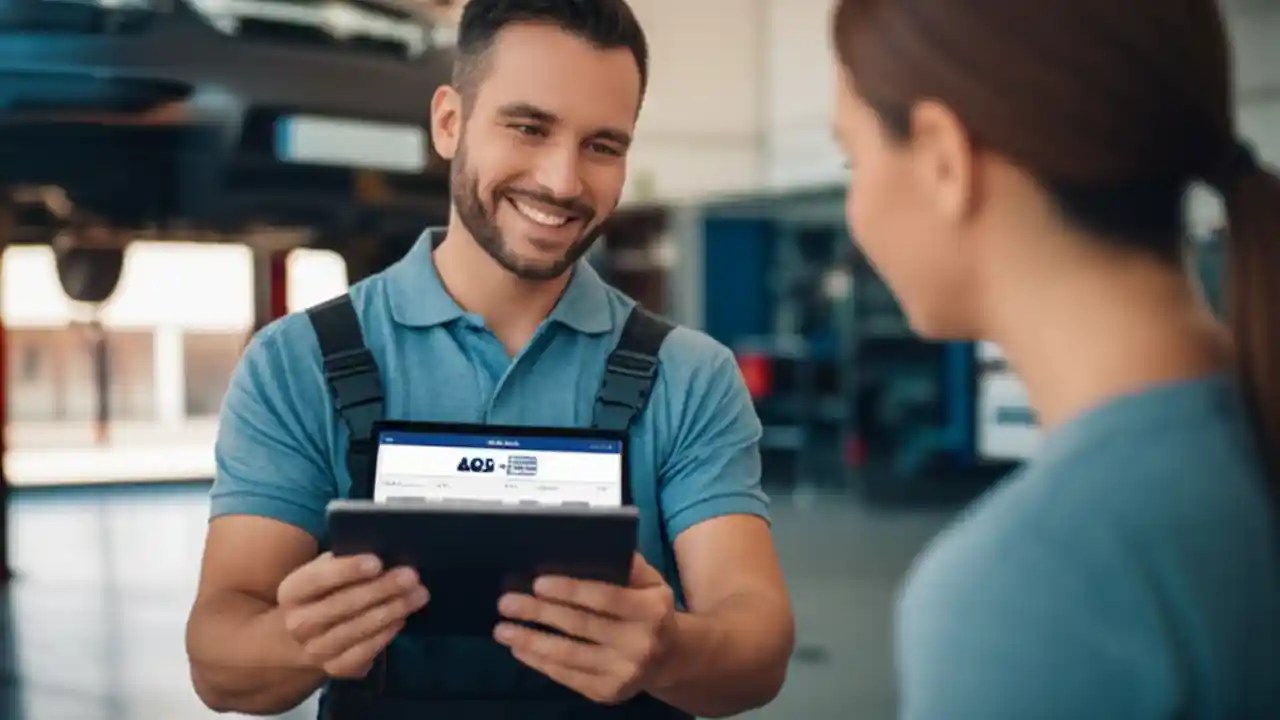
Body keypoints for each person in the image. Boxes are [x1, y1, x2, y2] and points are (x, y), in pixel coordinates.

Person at [184, 1, 795, 718]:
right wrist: (300, 638)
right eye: (528, 128)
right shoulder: (298, 363)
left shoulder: (690, 376)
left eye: (603, 145)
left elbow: (758, 639)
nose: (564, 182)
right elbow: (217, 657)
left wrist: (670, 652)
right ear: (449, 122)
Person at [829, 0, 1279, 718]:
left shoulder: (1022, 587)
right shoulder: (1241, 447)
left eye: (853, 157)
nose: (855, 204)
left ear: (945, 159)